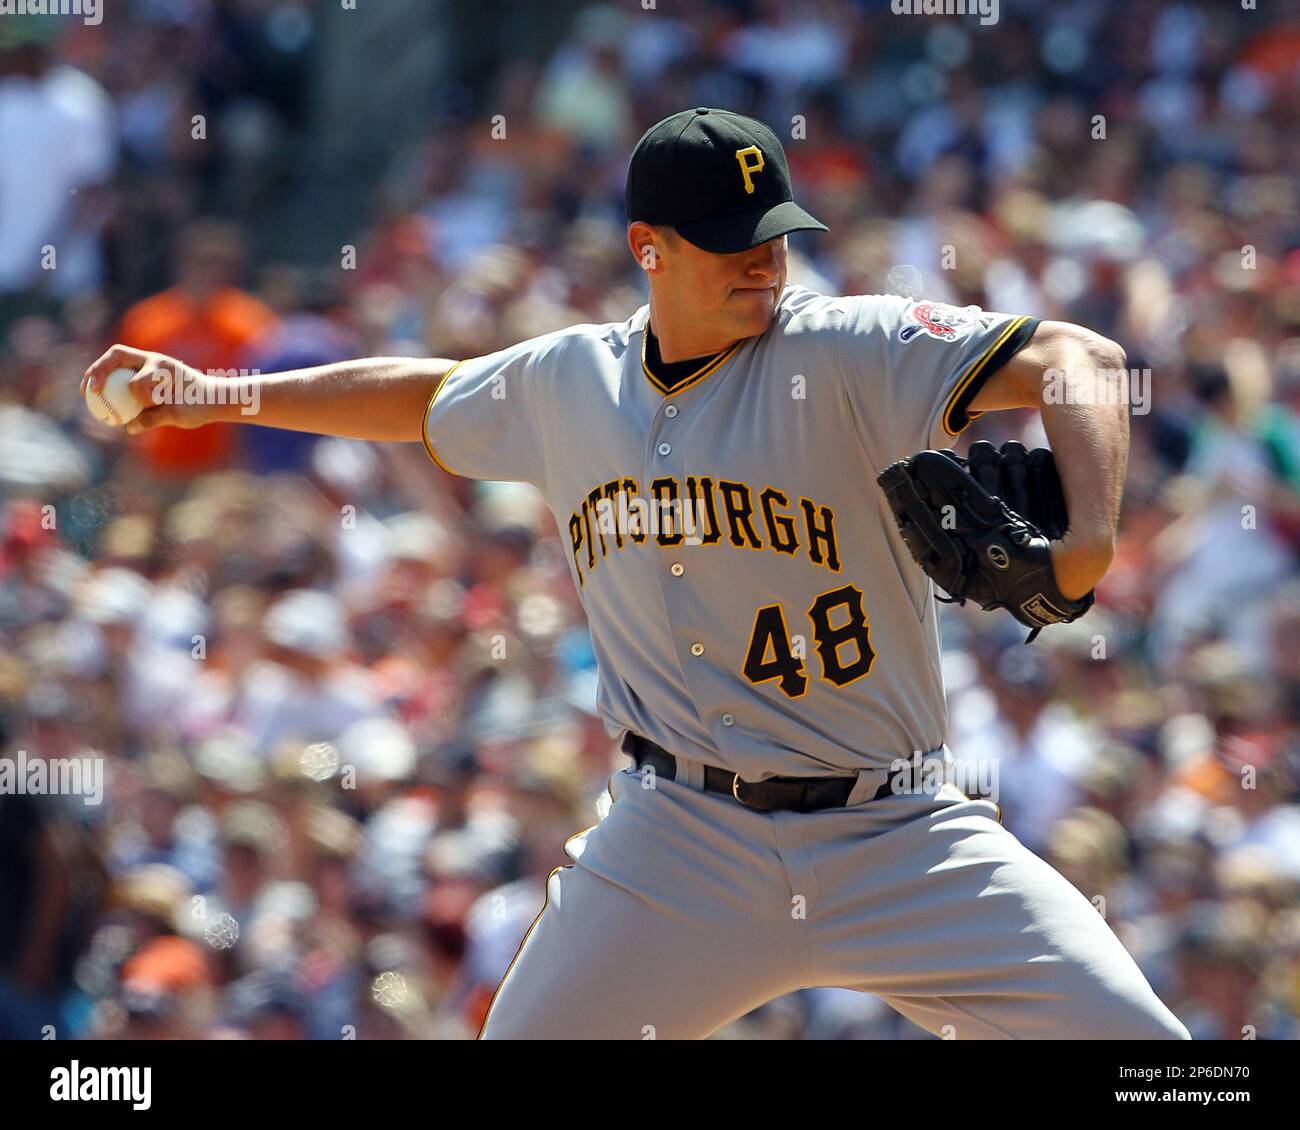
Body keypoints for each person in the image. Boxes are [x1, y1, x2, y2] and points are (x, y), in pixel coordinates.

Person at [84, 108, 1189, 1040]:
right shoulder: (571, 380)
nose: (762, 260)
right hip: (678, 839)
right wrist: (219, 392)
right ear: (648, 247)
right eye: (728, 241)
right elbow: (422, 398)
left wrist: (1086, 542)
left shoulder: (845, 346)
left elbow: (1078, 359)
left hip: (896, 831)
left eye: (775, 235)